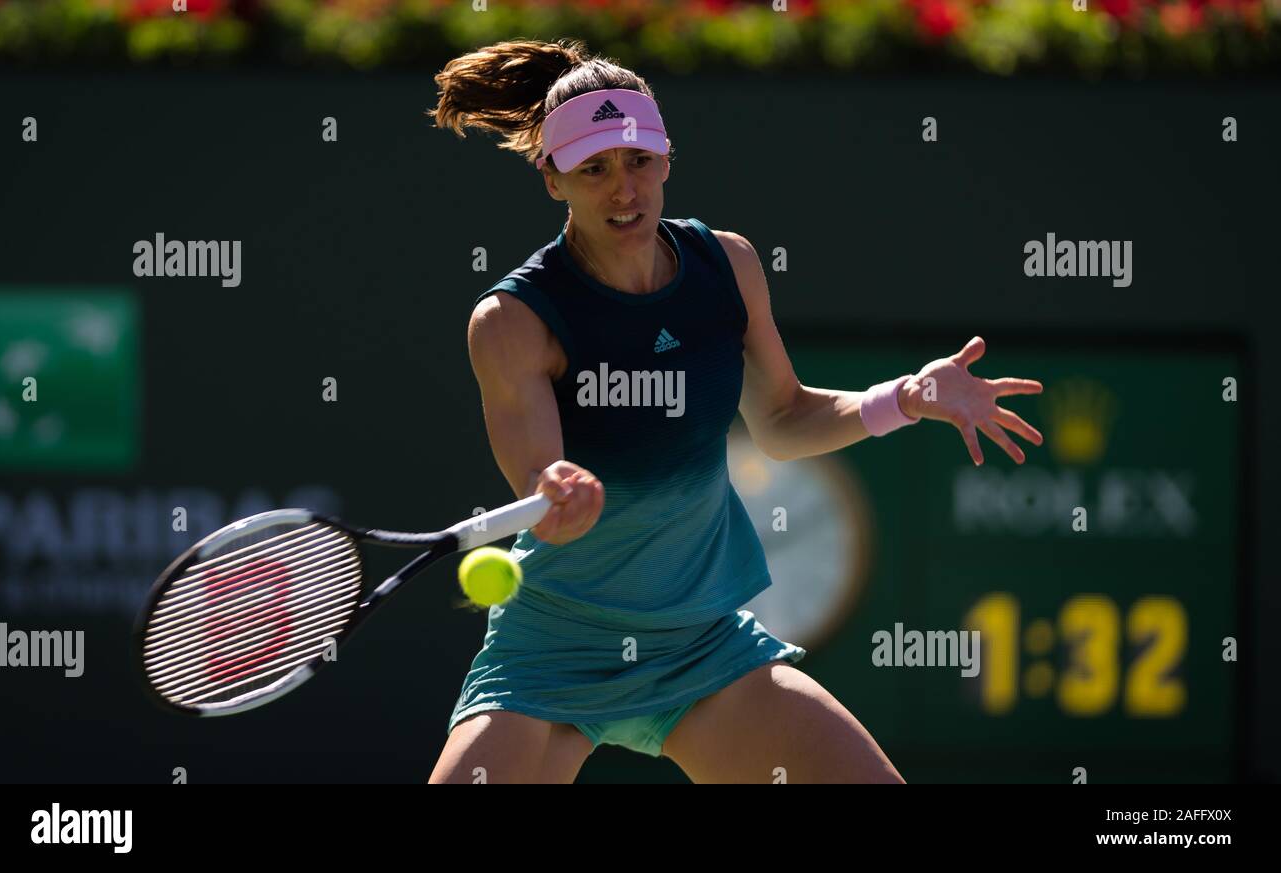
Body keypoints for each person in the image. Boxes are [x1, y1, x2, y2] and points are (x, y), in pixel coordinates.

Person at [425, 38, 1043, 783]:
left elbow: (782, 418)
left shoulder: (729, 266)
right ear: (552, 179)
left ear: (666, 159)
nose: (623, 189)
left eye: (638, 161)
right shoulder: (512, 319)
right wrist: (557, 494)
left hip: (702, 646)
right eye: (593, 169)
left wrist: (905, 397)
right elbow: (536, 474)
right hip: (555, 646)